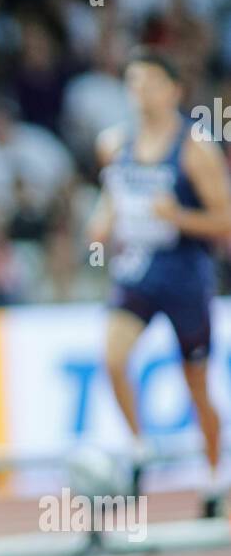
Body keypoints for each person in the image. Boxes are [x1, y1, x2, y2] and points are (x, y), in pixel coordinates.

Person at [91, 47, 231, 512]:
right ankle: (138, 447)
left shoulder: (195, 147)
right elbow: (114, 193)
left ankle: (215, 476)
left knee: (195, 382)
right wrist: (102, 223)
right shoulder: (115, 142)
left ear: (173, 90)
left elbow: (224, 221)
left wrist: (178, 217)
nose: (140, 92)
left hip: (186, 274)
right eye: (133, 82)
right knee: (112, 357)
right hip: (139, 270)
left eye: (150, 83)